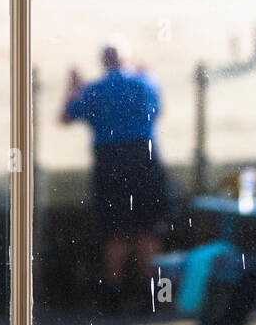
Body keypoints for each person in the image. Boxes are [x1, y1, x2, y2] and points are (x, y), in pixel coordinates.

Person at [60, 37, 176, 311]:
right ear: (125, 59)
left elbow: (66, 117)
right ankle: (153, 297)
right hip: (144, 159)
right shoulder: (145, 83)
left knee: (115, 232)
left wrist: (73, 87)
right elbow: (157, 113)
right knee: (147, 230)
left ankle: (113, 297)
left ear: (103, 62)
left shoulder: (94, 90)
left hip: (110, 162)